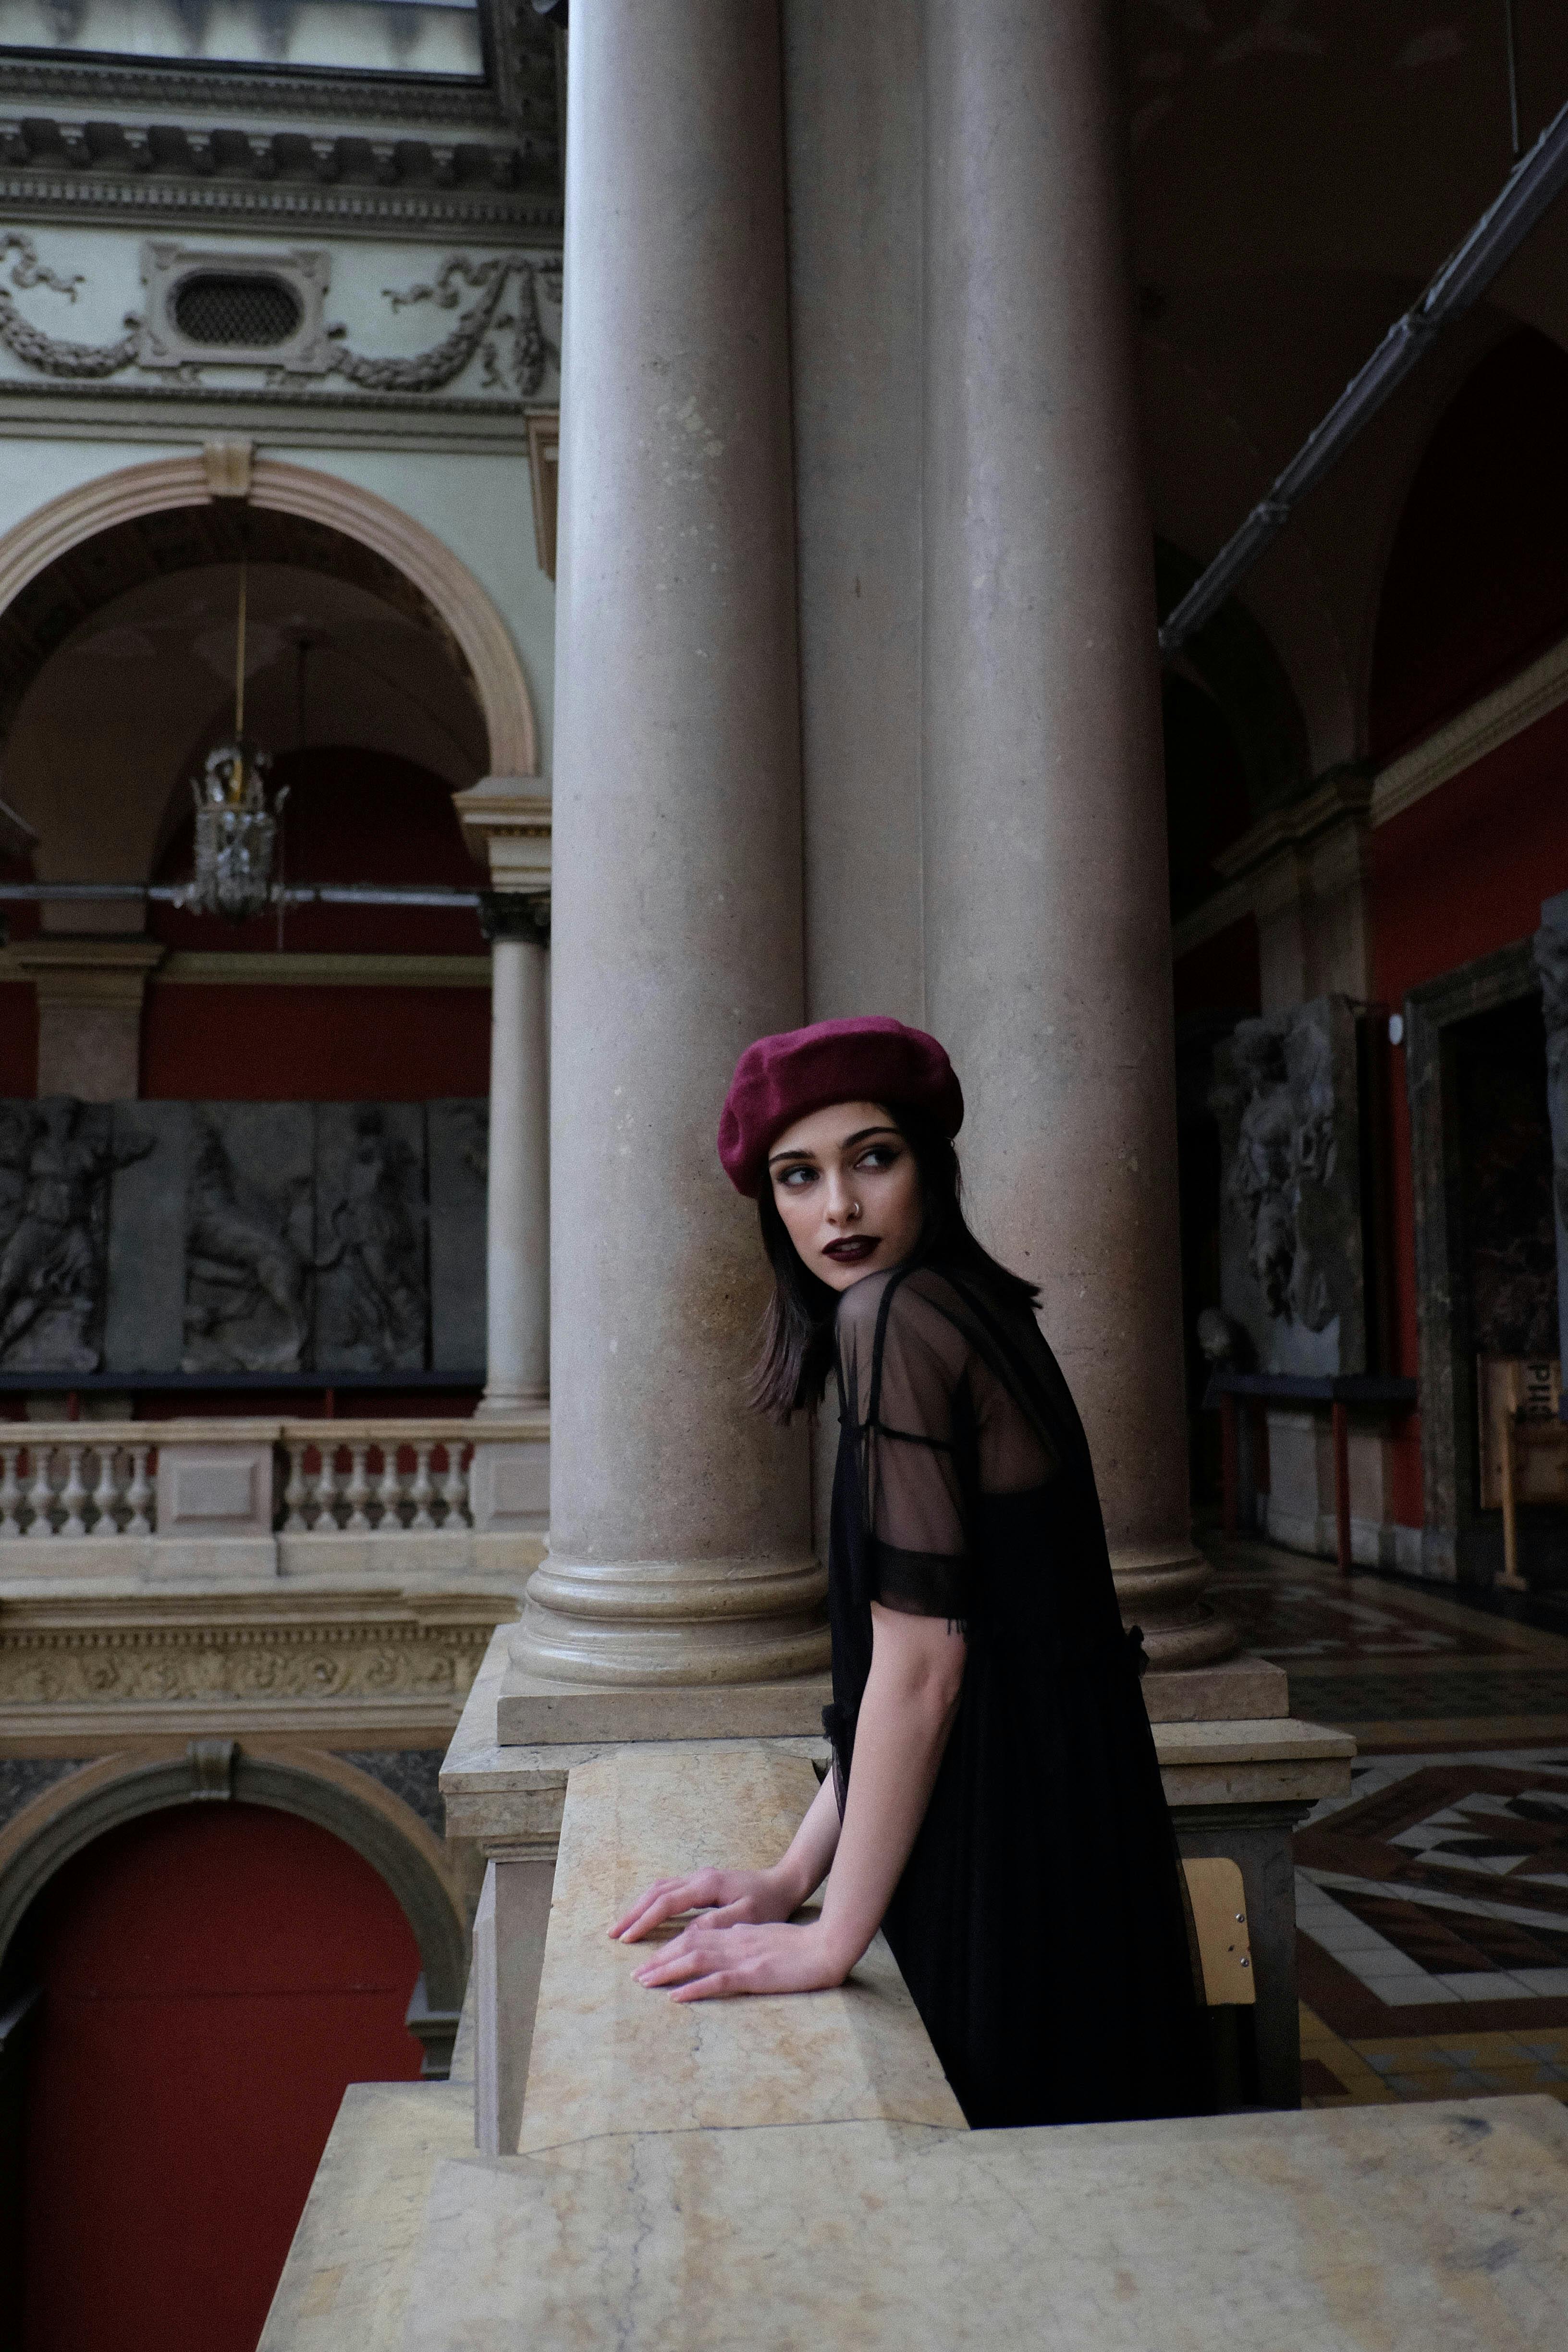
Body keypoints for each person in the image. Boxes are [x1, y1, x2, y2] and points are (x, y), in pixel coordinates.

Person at [611, 1016, 1212, 2128]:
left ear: (930, 1167)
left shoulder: (894, 1320)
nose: (836, 1208)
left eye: (871, 1160)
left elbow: (925, 1668)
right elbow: (947, 1655)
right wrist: (793, 1876)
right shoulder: (971, 1313)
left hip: (1007, 1843)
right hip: (1069, 1809)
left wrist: (831, 1935)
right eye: (799, 1177)